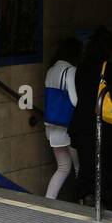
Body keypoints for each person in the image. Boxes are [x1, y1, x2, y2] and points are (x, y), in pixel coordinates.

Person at [67, 26, 112, 209]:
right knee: (108, 166)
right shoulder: (107, 67)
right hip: (101, 125)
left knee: (88, 165)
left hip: (80, 123)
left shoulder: (80, 67)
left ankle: (86, 199)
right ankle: (101, 204)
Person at [44, 38, 82, 199]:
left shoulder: (51, 70)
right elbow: (74, 101)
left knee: (63, 167)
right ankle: (85, 207)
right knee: (79, 168)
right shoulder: (71, 70)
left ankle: (47, 203)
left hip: (52, 126)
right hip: (68, 128)